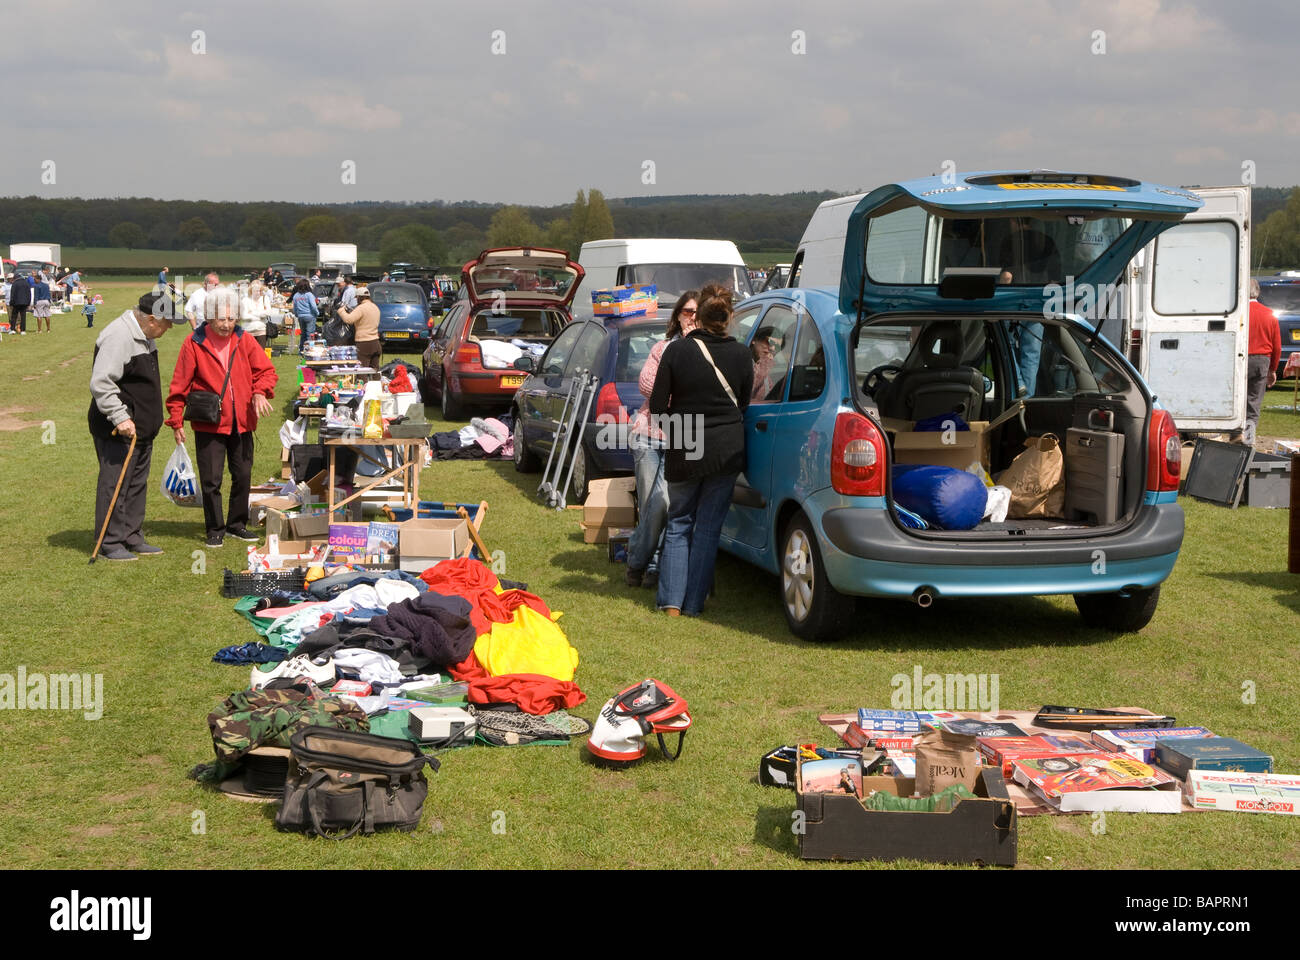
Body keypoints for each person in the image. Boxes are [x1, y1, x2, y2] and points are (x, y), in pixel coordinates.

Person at [649, 289, 753, 616]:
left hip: (685, 446)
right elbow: (745, 404)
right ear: (728, 318)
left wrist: (677, 431)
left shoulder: (677, 350)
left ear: (697, 318)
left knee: (679, 521)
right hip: (727, 448)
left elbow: (656, 406)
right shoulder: (741, 354)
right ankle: (693, 604)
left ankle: (671, 604)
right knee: (708, 528)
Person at [166, 286, 278, 547]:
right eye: (221, 319)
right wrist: (175, 420)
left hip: (242, 422)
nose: (227, 325)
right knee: (211, 480)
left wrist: (260, 392)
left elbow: (267, 372)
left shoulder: (245, 340)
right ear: (209, 317)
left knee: (243, 475)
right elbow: (179, 383)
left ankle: (236, 524)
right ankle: (214, 528)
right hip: (210, 422)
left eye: (231, 319)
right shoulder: (193, 342)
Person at [88, 288, 178, 561]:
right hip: (119, 428)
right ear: (152, 319)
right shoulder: (119, 336)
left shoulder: (146, 335)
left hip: (141, 428)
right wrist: (121, 417)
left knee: (136, 484)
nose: (169, 328)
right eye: (167, 324)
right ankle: (110, 542)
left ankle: (131, 535)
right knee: (115, 483)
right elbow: (101, 382)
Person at [625, 290, 700, 588]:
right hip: (647, 434)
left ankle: (642, 563)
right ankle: (647, 566)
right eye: (687, 312)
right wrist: (679, 394)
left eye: (696, 313)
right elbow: (646, 385)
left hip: (680, 436)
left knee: (665, 504)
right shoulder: (663, 347)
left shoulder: (703, 351)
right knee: (651, 506)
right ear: (678, 315)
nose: (691, 317)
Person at [1243, 277, 1281, 445]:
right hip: (1261, 361)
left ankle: (1234, 435)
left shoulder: (1240, 313)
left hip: (1241, 359)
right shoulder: (1269, 314)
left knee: (1238, 401)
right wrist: (1273, 370)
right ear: (1257, 292)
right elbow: (1277, 347)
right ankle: (1248, 440)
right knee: (1253, 402)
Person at [338, 284, 381, 369]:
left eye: (357, 298)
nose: (356, 300)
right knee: (375, 370)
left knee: (361, 371)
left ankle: (364, 383)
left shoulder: (361, 308)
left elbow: (348, 319)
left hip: (364, 343)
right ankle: (377, 382)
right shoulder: (375, 307)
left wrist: (341, 311)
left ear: (360, 297)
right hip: (376, 342)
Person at [291, 277, 320, 349]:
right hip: (310, 316)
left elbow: (294, 308)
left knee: (303, 334)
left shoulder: (296, 295)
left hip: (301, 316)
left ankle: (301, 349)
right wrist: (317, 313)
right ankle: (309, 349)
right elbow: (313, 306)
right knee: (309, 334)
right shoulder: (309, 295)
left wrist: (297, 314)